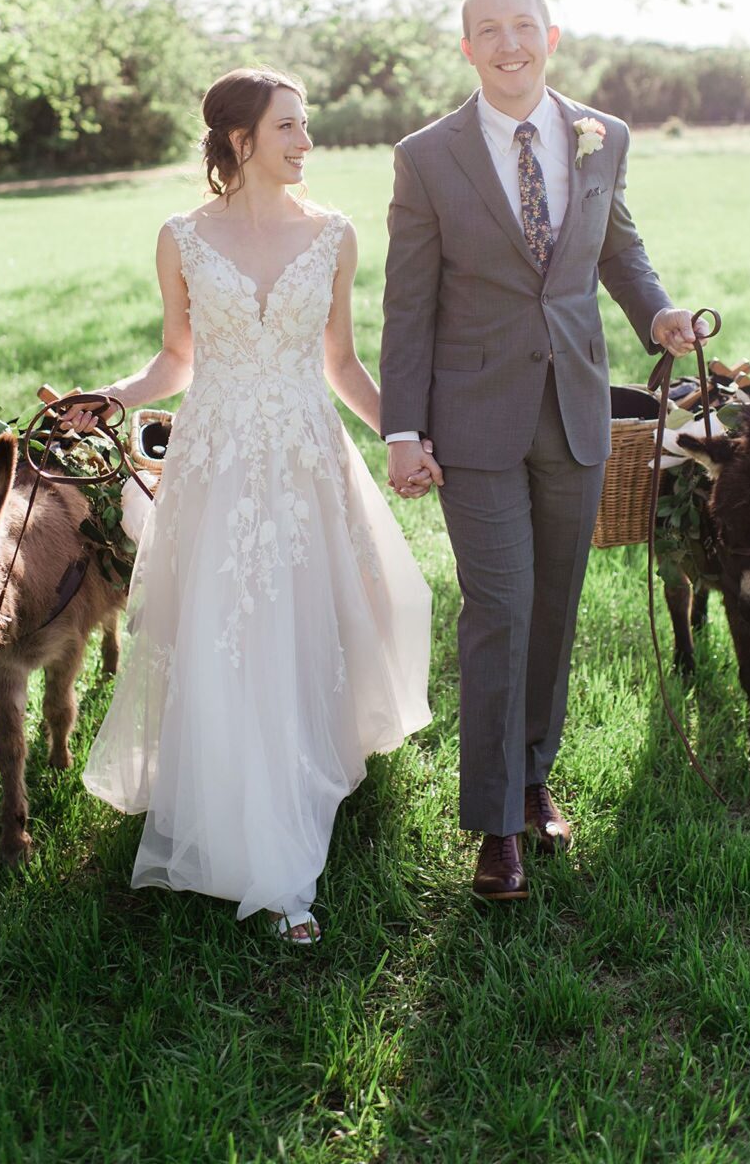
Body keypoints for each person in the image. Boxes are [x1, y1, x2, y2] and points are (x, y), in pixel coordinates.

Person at [71, 67, 432, 944]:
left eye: (305, 128)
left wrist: (407, 435)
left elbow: (342, 365)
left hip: (306, 454)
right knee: (230, 624)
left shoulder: (335, 235)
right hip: (219, 459)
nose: (307, 142)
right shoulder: (182, 239)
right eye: (291, 128)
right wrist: (111, 399)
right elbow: (175, 360)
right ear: (241, 141)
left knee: (303, 621)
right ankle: (255, 842)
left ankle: (307, 772)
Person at [380, 0, 706, 902]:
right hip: (472, 421)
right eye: (490, 31)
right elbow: (408, 303)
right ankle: (493, 829)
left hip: (576, 409)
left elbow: (618, 249)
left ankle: (531, 782)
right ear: (467, 49)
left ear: (550, 36)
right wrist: (404, 429)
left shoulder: (604, 135)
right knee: (502, 609)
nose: (509, 43)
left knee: (554, 608)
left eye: (524, 27)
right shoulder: (426, 156)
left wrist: (660, 314)